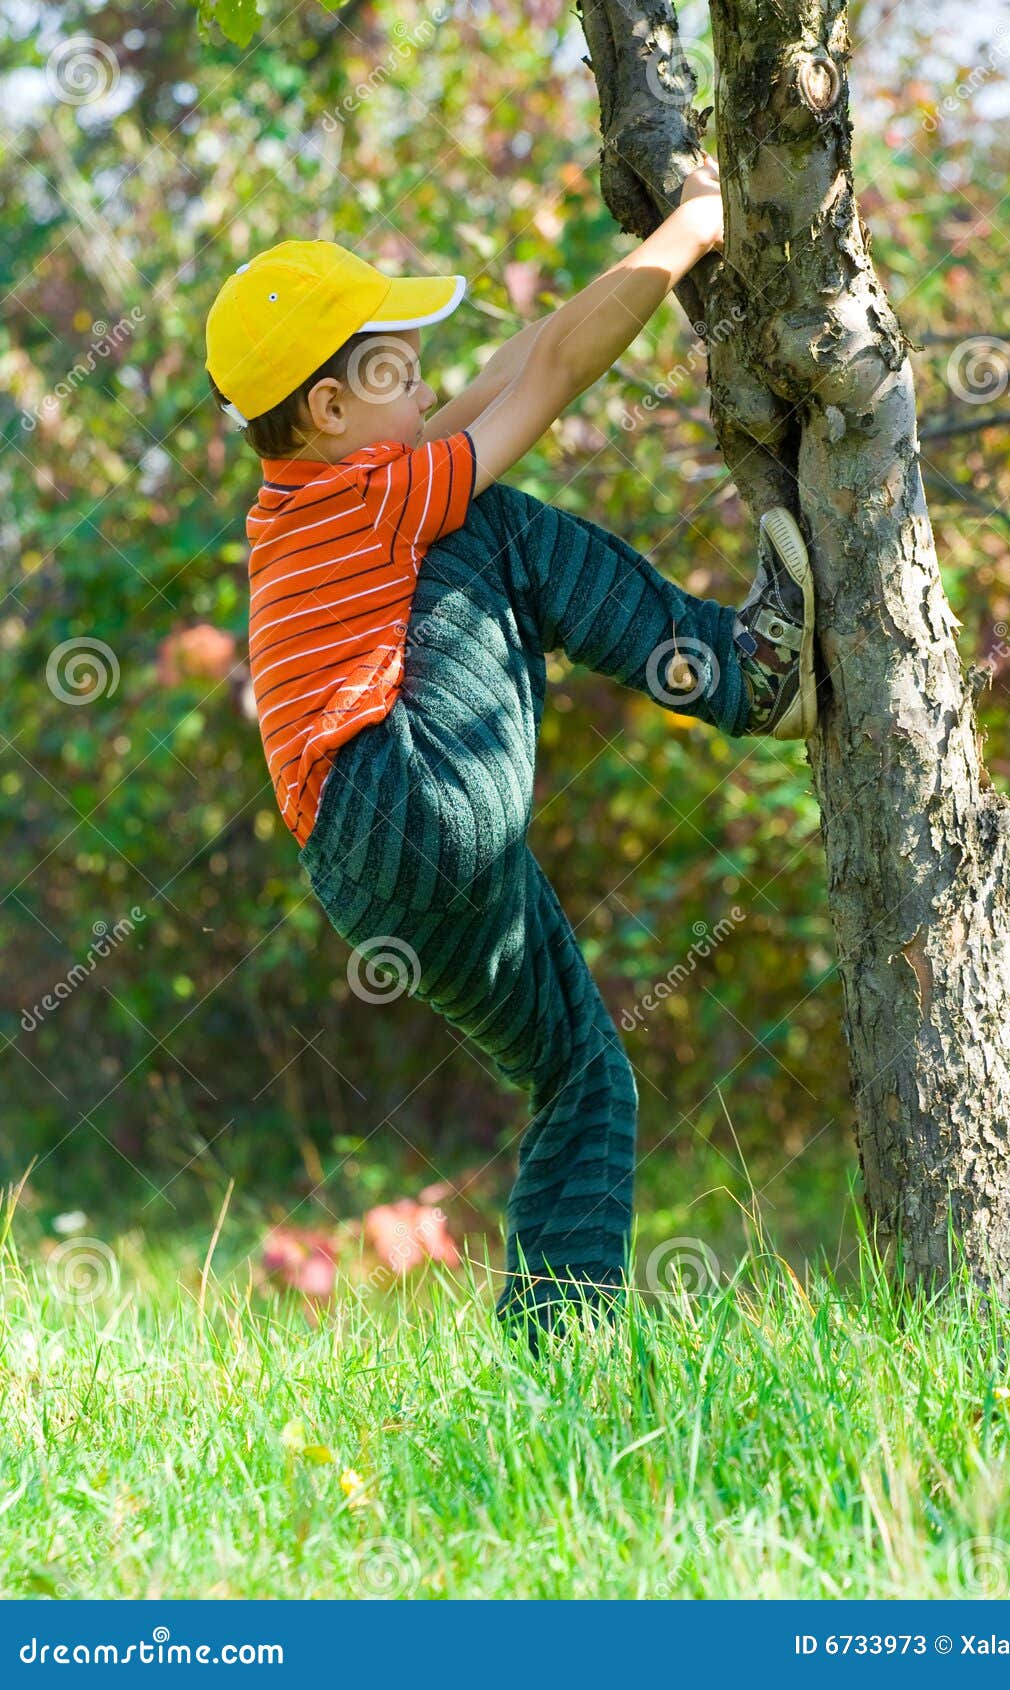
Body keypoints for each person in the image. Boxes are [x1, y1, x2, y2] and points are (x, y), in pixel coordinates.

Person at [204, 159, 817, 1340]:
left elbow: (508, 364)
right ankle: (750, 676)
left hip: (368, 869)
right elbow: (545, 373)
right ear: (329, 409)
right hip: (413, 788)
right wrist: (689, 231)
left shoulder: (317, 492)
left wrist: (619, 273)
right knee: (494, 521)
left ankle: (559, 1352)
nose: (422, 378)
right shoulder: (382, 501)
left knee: (584, 1074)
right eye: (392, 365)